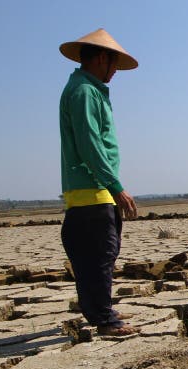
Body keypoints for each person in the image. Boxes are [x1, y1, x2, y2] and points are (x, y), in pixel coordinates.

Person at [58, 29, 140, 336]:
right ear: (102, 58)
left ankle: (98, 311)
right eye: (115, 63)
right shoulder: (84, 92)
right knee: (101, 256)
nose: (116, 71)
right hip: (94, 193)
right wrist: (115, 186)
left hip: (87, 194)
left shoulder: (84, 89)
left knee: (92, 259)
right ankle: (105, 320)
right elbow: (89, 144)